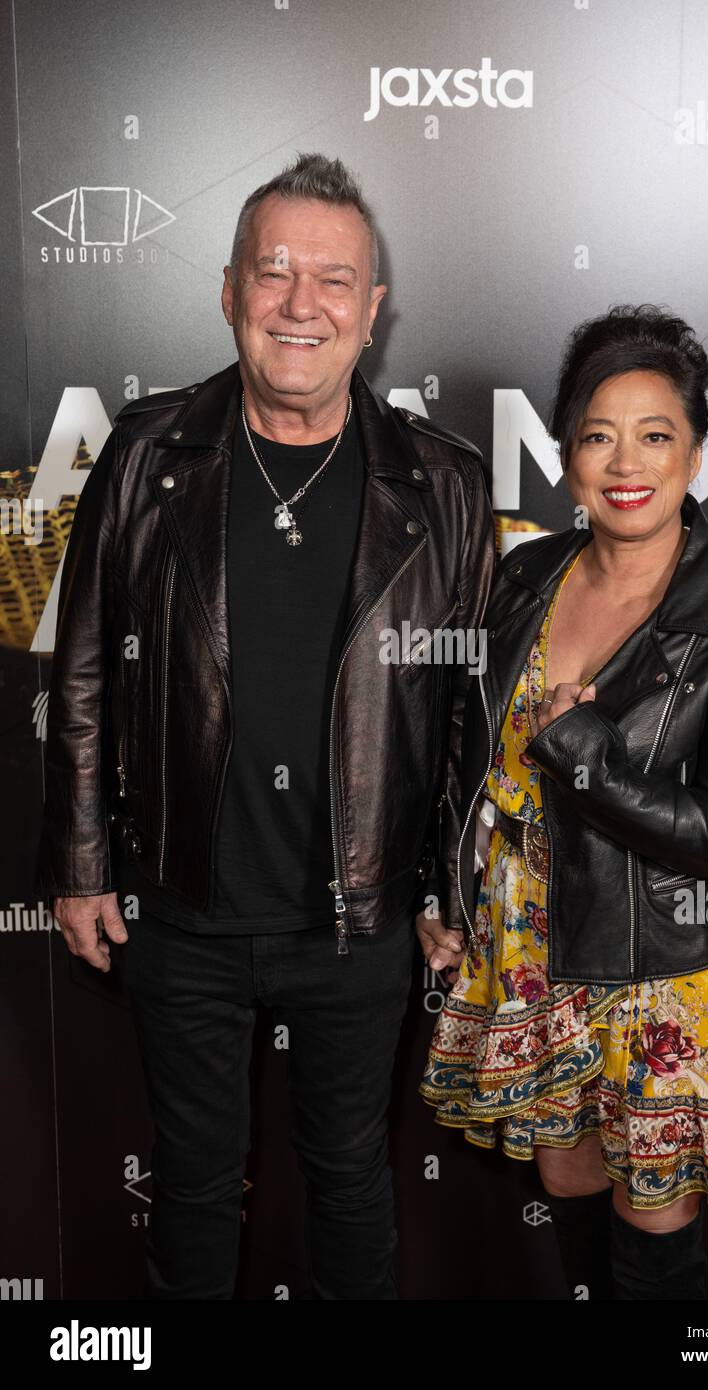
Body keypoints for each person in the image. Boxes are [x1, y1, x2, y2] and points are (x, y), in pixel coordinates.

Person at [34, 152, 494, 1300]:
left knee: (349, 1181)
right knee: (191, 1191)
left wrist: (446, 885)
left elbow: (463, 719)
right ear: (229, 289)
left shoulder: (439, 484)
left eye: (333, 279)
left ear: (372, 310)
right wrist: (83, 860)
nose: (303, 303)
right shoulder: (147, 457)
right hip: (182, 907)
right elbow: (84, 664)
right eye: (274, 272)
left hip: (360, 916)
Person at [418, 304, 708, 1301]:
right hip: (531, 950)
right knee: (567, 1183)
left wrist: (586, 756)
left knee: (653, 1223)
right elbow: (467, 754)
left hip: (658, 970)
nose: (623, 461)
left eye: (654, 434)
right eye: (597, 434)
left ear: (696, 454)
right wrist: (446, 895)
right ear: (564, 453)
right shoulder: (522, 575)